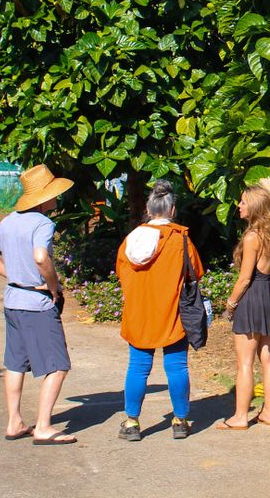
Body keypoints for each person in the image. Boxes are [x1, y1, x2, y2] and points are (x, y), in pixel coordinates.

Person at [0, 163, 76, 445]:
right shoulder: (43, 223)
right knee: (58, 365)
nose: (57, 198)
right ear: (45, 198)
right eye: (54, 193)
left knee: (15, 364)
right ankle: (43, 426)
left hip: (13, 301)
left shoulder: (9, 220)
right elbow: (41, 256)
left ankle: (14, 422)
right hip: (37, 303)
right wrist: (53, 286)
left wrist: (14, 275)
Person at [115, 180, 204, 441]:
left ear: (147, 208)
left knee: (138, 368)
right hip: (172, 313)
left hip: (138, 313)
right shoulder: (180, 239)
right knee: (177, 367)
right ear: (173, 209)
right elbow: (195, 272)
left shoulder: (130, 240)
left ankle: (132, 422)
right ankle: (180, 420)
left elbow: (122, 273)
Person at [218, 177, 270, 430]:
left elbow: (245, 277)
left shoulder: (252, 238)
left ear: (255, 207)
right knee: (268, 356)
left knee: (245, 362)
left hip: (252, 295)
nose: (239, 205)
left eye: (244, 202)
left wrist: (230, 304)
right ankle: (268, 412)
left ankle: (240, 416)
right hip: (268, 292)